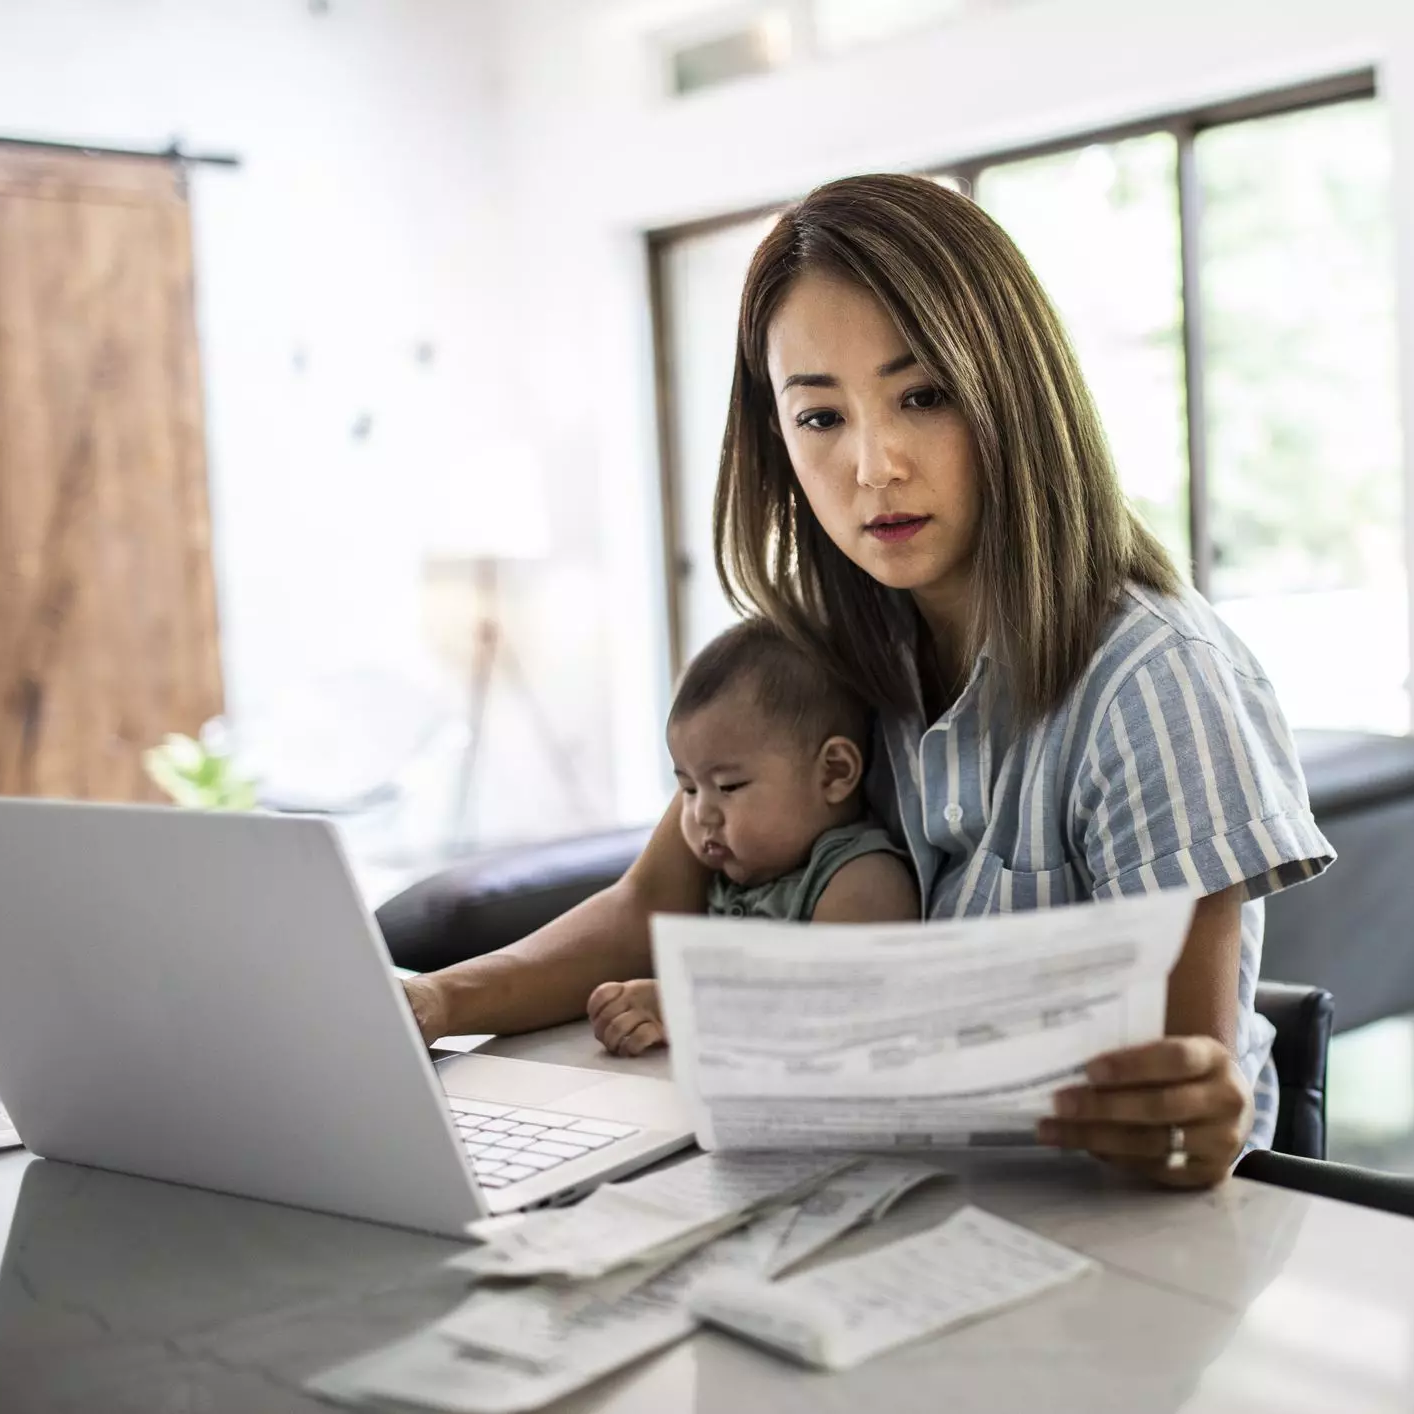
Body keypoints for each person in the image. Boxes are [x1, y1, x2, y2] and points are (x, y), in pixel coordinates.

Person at [405, 173, 1334, 1187]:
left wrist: (1194, 1111)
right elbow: (650, 911)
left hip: (1088, 1228)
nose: (873, 465)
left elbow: (1177, 1100)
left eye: (922, 397)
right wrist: (434, 1002)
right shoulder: (812, 655)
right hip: (861, 1189)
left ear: (1013, 395)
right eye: (820, 417)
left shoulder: (1157, 684)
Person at [586, 617, 919, 1051]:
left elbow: (841, 1005)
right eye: (687, 788)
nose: (702, 813)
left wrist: (686, 1006)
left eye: (729, 787)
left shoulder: (859, 877)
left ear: (835, 772)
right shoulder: (734, 874)